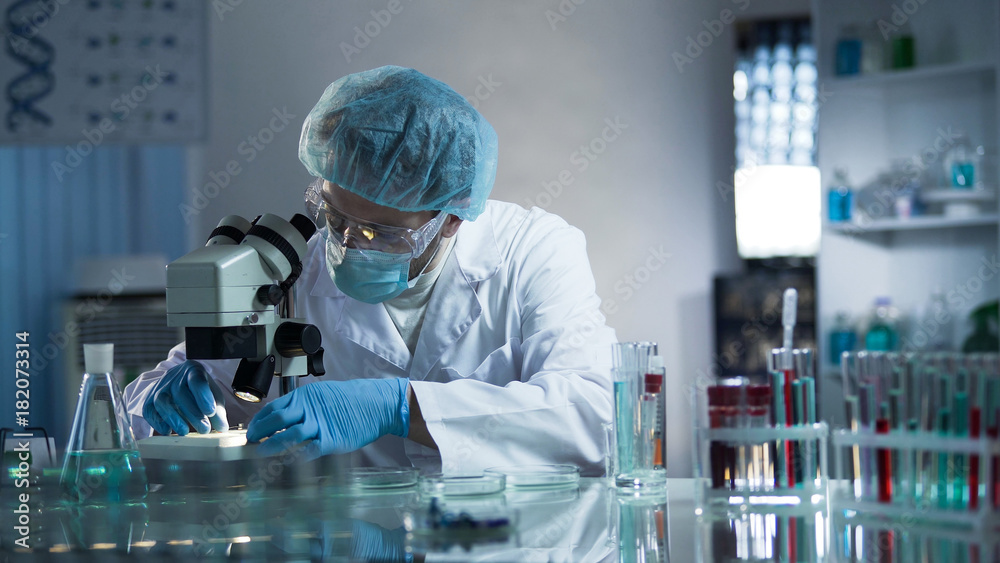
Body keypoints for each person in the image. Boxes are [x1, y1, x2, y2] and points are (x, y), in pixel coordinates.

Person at [124, 66, 616, 475]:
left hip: (507, 538)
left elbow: (592, 418)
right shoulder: (295, 273)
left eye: (379, 232)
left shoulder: (533, 252)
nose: (344, 244)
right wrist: (160, 401)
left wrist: (400, 407)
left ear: (449, 219)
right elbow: (144, 406)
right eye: (334, 216)